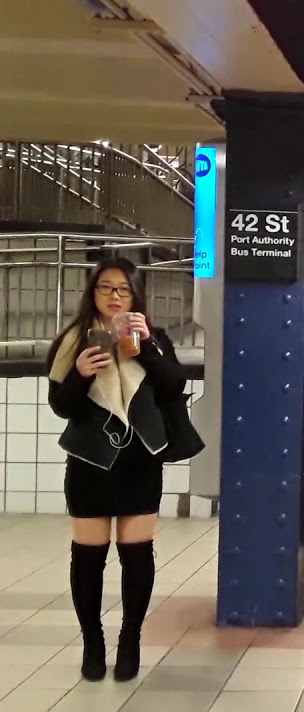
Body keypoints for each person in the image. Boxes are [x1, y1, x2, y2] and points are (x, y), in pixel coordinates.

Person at [45, 258, 187, 682]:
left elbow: (175, 384)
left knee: (136, 555)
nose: (113, 297)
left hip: (140, 463)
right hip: (89, 464)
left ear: (135, 297)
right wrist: (79, 377)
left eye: (123, 290)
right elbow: (60, 407)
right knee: (88, 559)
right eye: (105, 288)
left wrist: (144, 348)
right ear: (93, 293)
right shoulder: (73, 341)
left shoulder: (152, 338)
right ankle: (93, 642)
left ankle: (130, 640)